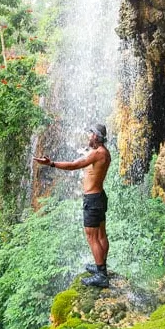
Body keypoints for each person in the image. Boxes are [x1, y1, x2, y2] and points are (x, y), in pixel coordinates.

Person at [34, 123, 111, 287]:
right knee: (101, 235)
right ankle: (101, 267)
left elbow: (74, 165)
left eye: (91, 134)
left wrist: (51, 163)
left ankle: (101, 275)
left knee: (92, 236)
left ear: (96, 137)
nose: (88, 137)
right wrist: (86, 152)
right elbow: (85, 159)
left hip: (92, 199)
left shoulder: (97, 154)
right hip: (99, 197)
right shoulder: (102, 152)